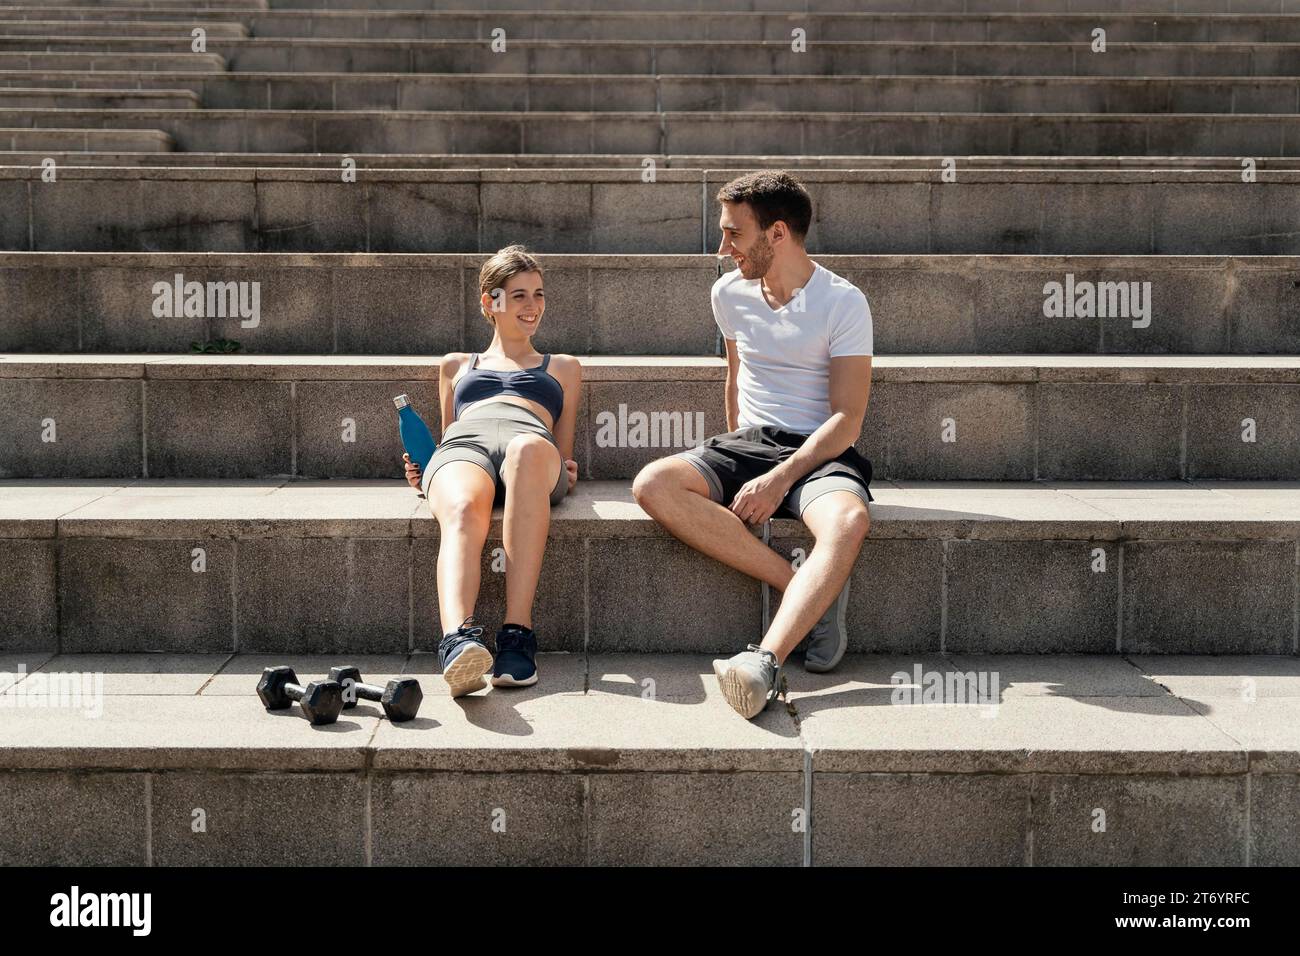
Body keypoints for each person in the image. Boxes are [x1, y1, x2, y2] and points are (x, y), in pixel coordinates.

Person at [633, 171, 875, 720]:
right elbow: (735, 374)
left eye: (733, 235)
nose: (723, 250)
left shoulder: (842, 302)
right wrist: (734, 463)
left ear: (778, 234)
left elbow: (848, 417)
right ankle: (808, 592)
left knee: (847, 523)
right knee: (653, 484)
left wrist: (780, 477)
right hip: (748, 441)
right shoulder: (729, 293)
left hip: (819, 449)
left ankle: (764, 660)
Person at [404, 245, 581, 697]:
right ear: (490, 303)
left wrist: (561, 469)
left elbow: (562, 450)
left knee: (524, 451)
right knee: (462, 505)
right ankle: (457, 642)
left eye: (538, 294)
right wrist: (428, 470)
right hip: (467, 445)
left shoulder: (562, 366)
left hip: (532, 446)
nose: (532, 306)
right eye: (518, 295)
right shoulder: (456, 365)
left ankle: (517, 635)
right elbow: (447, 436)